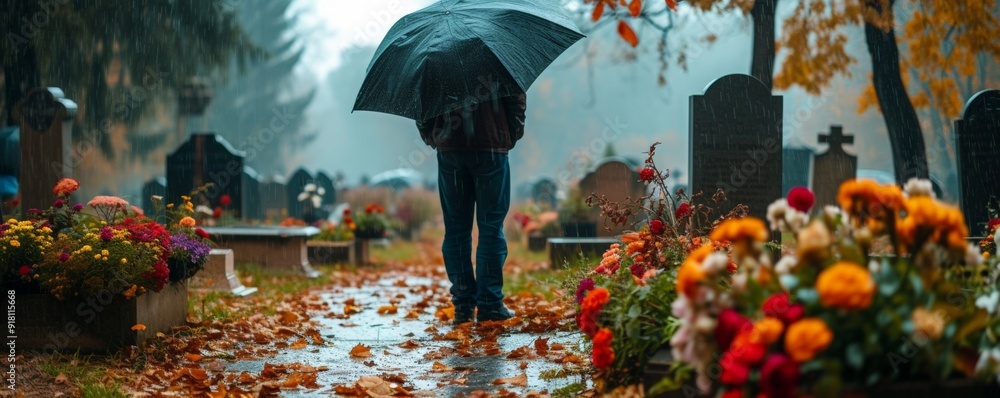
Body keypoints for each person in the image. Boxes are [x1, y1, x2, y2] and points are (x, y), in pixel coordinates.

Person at [417, 91, 526, 324]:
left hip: (451, 149)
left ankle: (464, 305)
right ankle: (490, 304)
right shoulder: (497, 58)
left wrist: (435, 136)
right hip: (491, 147)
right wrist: (508, 134)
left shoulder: (436, 59)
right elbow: (516, 97)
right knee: (491, 227)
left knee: (456, 230)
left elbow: (421, 103)